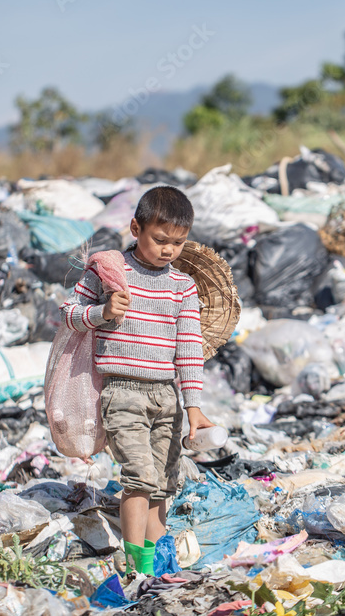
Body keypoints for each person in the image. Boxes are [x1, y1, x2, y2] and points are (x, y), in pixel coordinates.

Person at [59, 186, 215, 576]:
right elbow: (68, 314)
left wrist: (193, 407)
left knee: (163, 483)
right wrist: (102, 311)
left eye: (178, 243)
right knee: (140, 478)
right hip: (122, 390)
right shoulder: (110, 272)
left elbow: (189, 348)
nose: (168, 250)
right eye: (160, 239)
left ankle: (156, 562)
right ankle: (135, 569)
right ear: (135, 228)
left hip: (166, 396)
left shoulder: (183, 286)